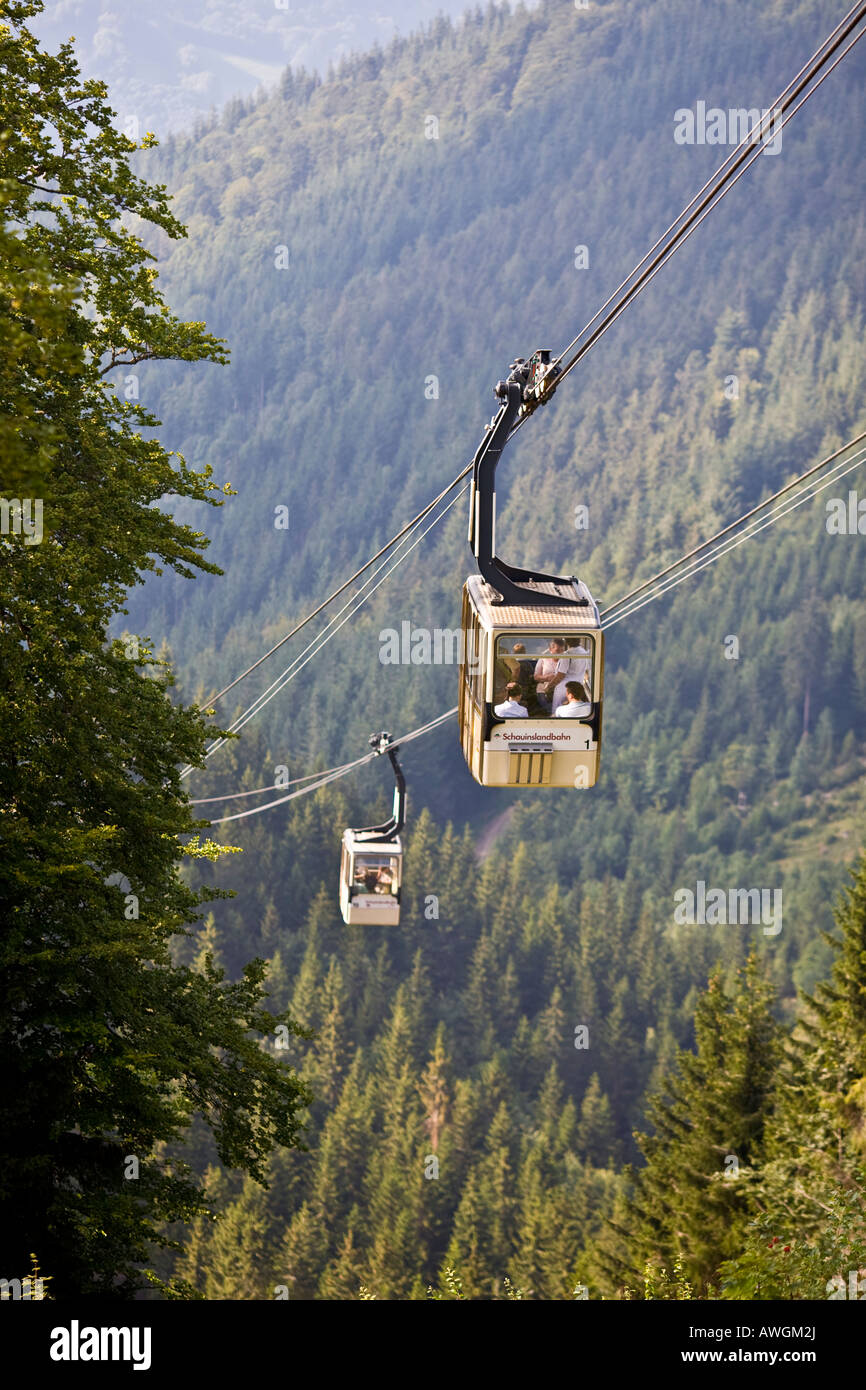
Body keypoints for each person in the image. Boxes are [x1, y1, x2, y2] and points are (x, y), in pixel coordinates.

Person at [533, 637, 568, 713]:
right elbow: (536, 677)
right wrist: (547, 677)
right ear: (550, 649)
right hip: (544, 689)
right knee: (548, 707)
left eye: (562, 650)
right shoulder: (543, 659)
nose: (560, 653)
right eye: (557, 650)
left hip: (561, 689)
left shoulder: (566, 661)